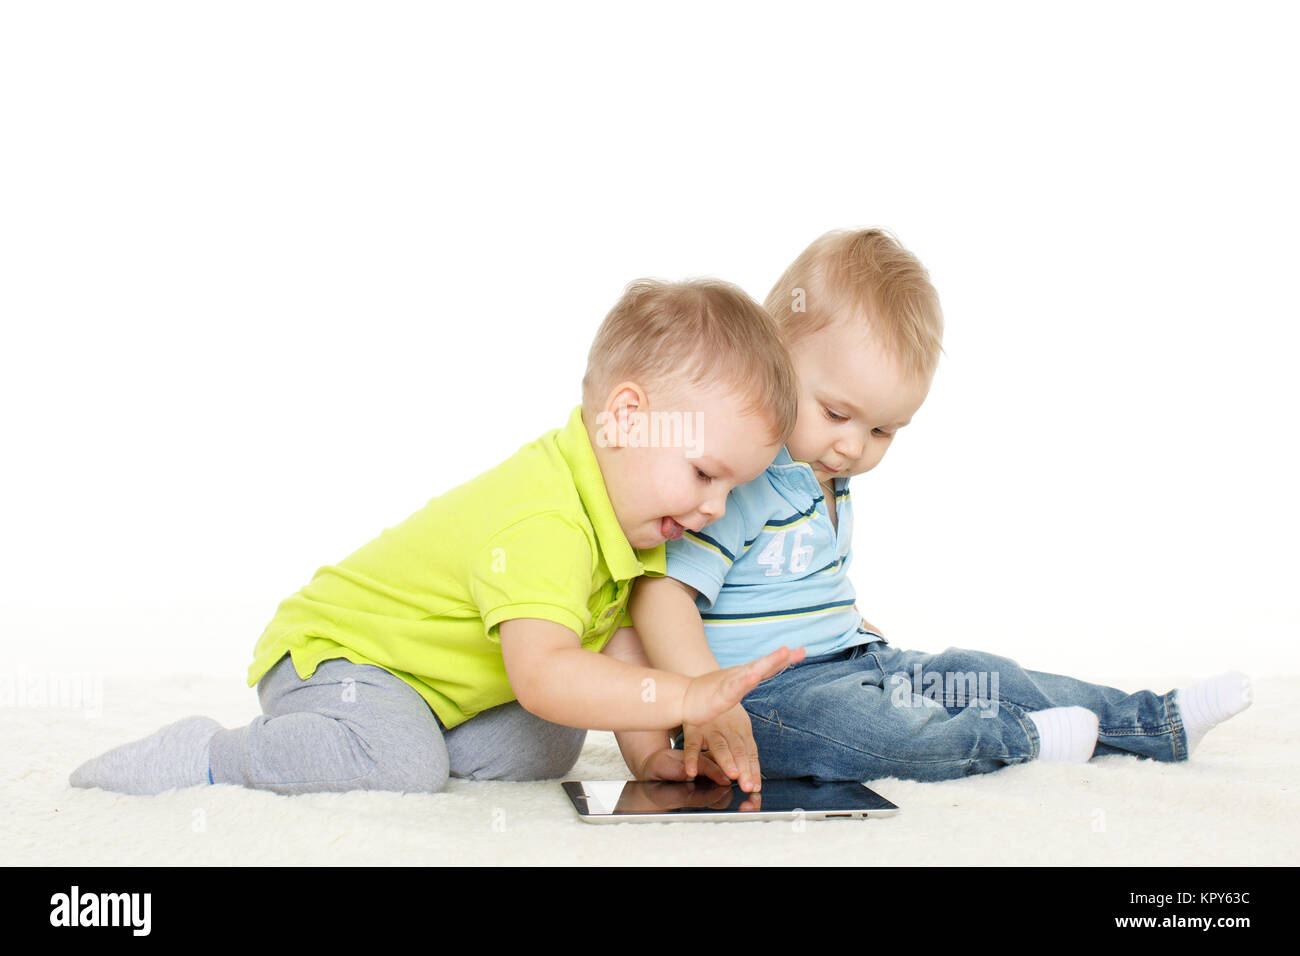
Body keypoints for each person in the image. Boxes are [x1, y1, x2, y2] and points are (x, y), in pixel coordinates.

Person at [69, 277, 806, 796]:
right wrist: (684, 695)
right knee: (404, 764)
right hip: (338, 657)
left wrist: (649, 758)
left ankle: (402, 742)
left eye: (732, 490)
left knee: (553, 740)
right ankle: (208, 756)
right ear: (627, 417)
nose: (715, 507)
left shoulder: (628, 520)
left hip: (429, 692)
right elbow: (544, 673)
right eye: (706, 473)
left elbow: (614, 646)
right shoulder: (545, 517)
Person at [628, 229, 1253, 789]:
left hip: (857, 661)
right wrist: (707, 700)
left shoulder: (826, 477)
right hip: (763, 701)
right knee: (874, 730)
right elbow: (661, 594)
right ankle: (1024, 742)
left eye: (883, 432)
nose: (851, 447)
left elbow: (797, 586)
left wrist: (847, 627)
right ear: (770, 359)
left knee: (971, 672)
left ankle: (1154, 722)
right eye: (837, 414)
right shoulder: (736, 480)